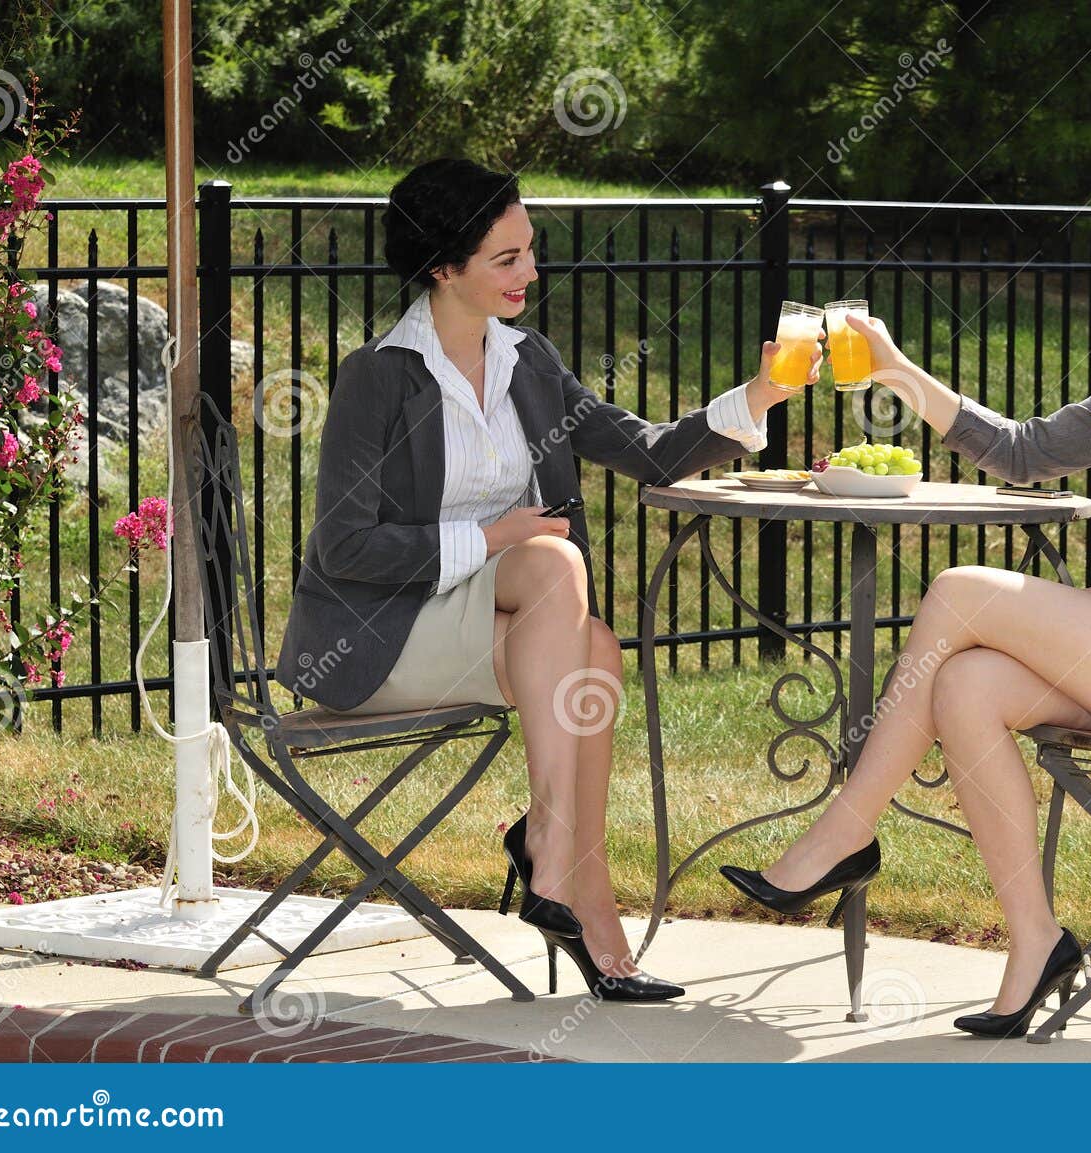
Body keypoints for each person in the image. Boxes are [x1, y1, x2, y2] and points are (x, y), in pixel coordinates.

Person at [720, 153, 1091, 1037]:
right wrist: (895, 370)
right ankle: (1035, 940)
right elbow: (1028, 451)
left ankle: (842, 833)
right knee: (966, 686)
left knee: (961, 589)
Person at [274, 157, 816, 1001]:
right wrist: (494, 535)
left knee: (596, 649)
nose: (531, 271)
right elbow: (345, 548)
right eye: (507, 258)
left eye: (530, 250)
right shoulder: (375, 376)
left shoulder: (529, 362)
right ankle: (554, 858)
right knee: (557, 563)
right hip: (381, 636)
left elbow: (647, 450)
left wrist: (760, 392)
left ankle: (581, 902)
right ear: (444, 268)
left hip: (498, 627)